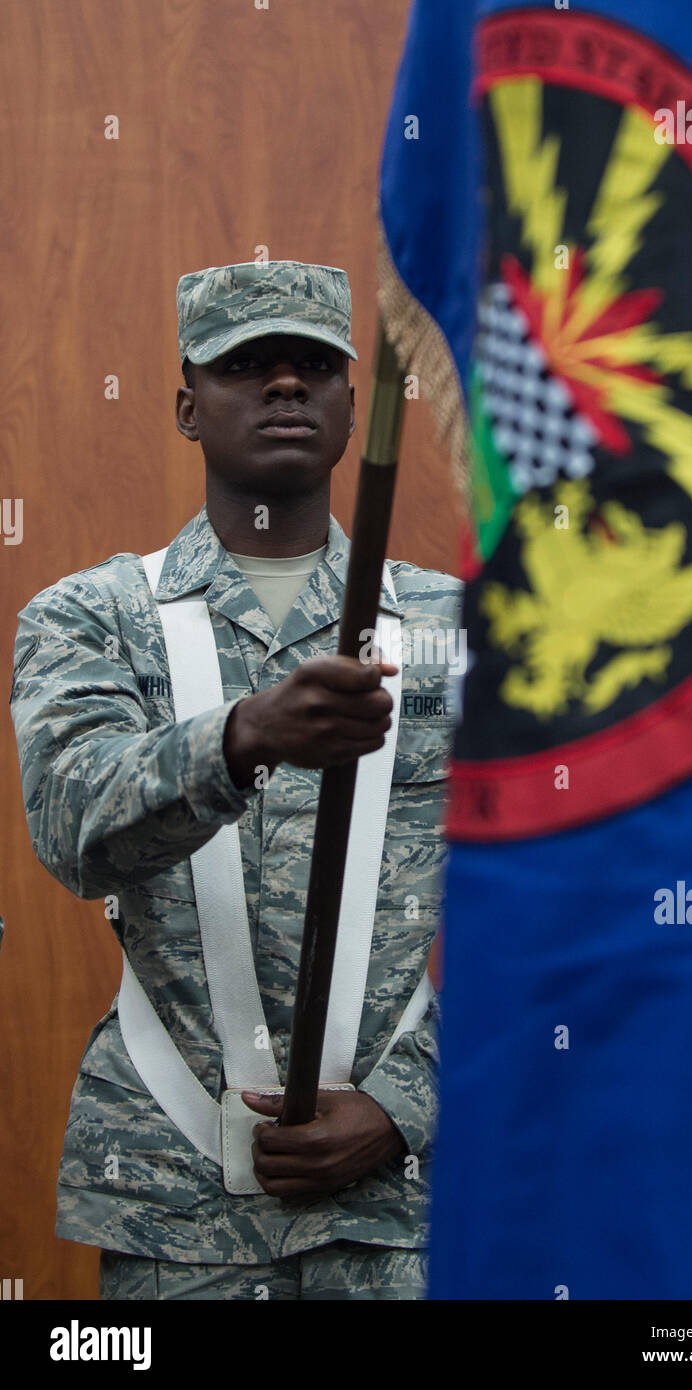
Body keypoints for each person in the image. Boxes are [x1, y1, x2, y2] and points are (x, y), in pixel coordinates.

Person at [10, 259, 461, 1301]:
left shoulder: (451, 633)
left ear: (355, 404)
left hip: (402, 1211)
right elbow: (74, 829)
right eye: (245, 365)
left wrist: (408, 1103)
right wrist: (240, 735)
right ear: (185, 406)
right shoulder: (91, 617)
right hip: (174, 1207)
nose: (285, 386)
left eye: (313, 366)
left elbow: (552, 897)